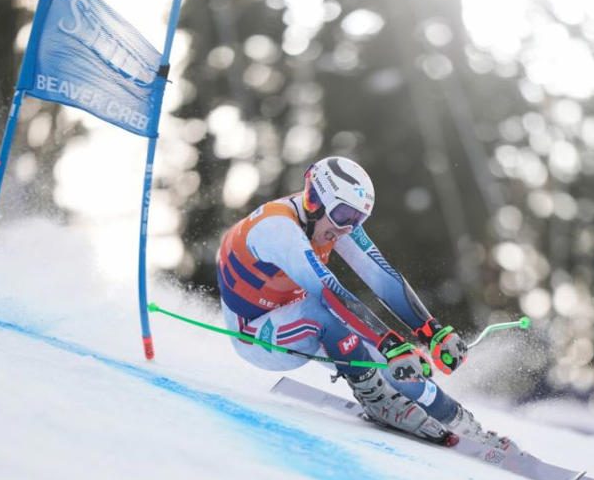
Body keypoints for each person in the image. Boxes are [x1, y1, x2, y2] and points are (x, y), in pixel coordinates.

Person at [216, 156, 515, 450]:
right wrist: (392, 343)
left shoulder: (330, 220)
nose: (349, 228)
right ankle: (377, 399)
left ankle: (463, 424)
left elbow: (383, 277)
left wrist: (432, 331)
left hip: (296, 318)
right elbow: (328, 291)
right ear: (314, 200)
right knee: (324, 314)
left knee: (403, 372)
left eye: (358, 219)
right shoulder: (278, 228)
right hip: (255, 334)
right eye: (346, 216)